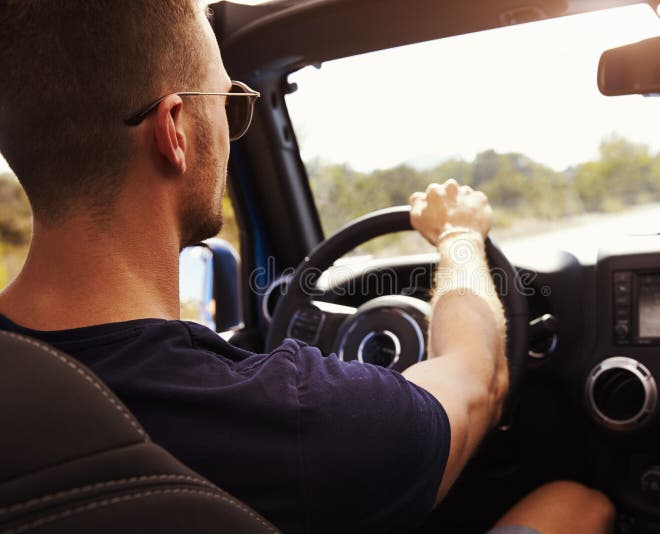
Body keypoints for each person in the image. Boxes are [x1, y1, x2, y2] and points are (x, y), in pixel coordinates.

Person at [0, 1, 613, 533]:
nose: (229, 125)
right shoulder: (296, 417)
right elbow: (477, 382)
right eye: (228, 101)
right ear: (177, 130)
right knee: (575, 502)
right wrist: (457, 236)